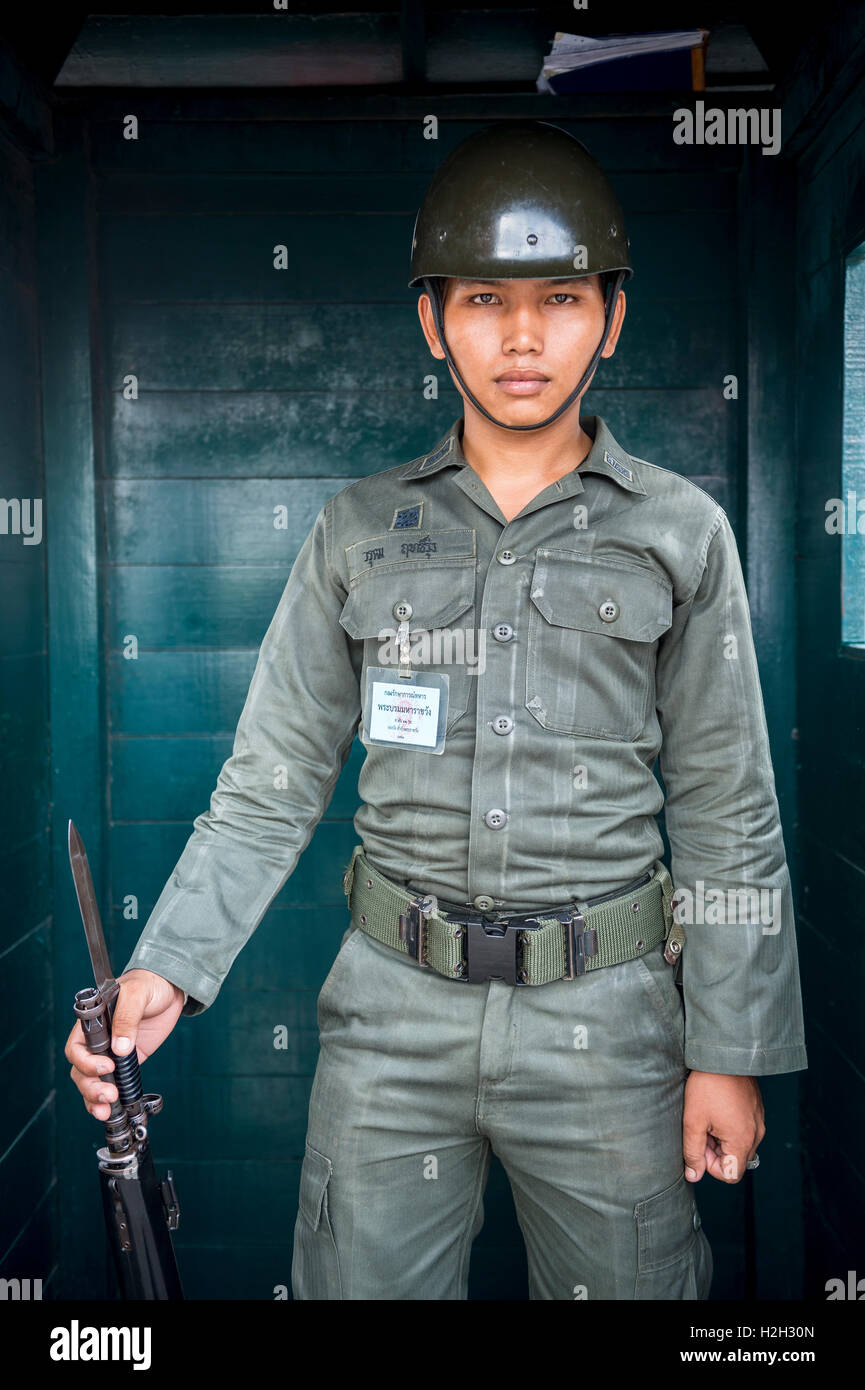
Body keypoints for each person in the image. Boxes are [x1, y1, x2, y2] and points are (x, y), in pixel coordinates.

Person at [65, 120, 807, 1300]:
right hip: (391, 1013)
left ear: (611, 314)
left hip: (611, 1023)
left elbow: (729, 808)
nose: (522, 336)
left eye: (560, 297)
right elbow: (270, 781)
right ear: (432, 321)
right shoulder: (357, 531)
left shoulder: (680, 532)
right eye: (481, 299)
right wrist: (169, 964)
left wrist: (729, 1053)